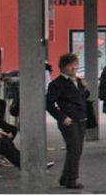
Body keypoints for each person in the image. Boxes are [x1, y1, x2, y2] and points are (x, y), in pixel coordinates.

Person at [46, 53, 88, 189]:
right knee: (74, 149)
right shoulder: (57, 84)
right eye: (71, 65)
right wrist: (62, 117)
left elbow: (82, 98)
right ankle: (71, 180)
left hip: (81, 118)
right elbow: (49, 104)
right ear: (63, 67)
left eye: (76, 64)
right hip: (69, 121)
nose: (74, 67)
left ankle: (66, 176)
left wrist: (85, 87)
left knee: (76, 149)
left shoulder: (78, 81)